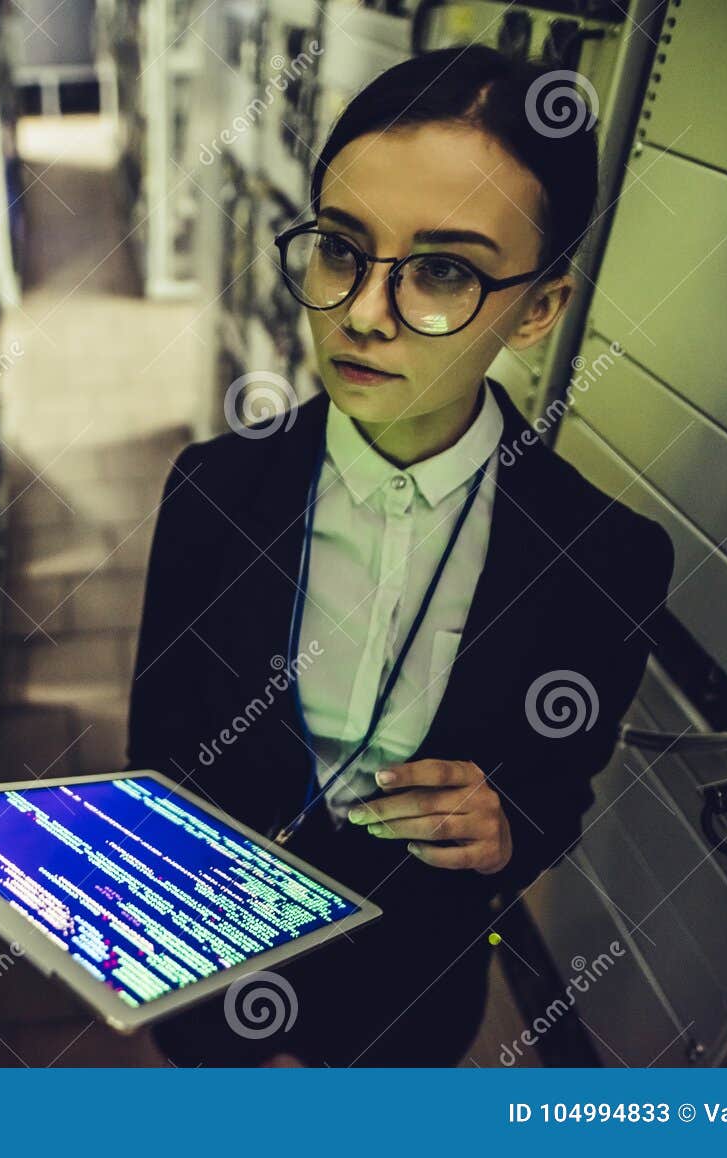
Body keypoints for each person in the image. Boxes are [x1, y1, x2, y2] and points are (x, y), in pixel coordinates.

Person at [125, 45, 675, 1066]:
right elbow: (156, 743)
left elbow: (558, 789)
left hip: (408, 983)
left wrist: (506, 823)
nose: (363, 313)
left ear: (540, 308)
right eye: (341, 248)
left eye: (442, 271)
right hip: (214, 960)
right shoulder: (212, 490)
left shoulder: (604, 558)